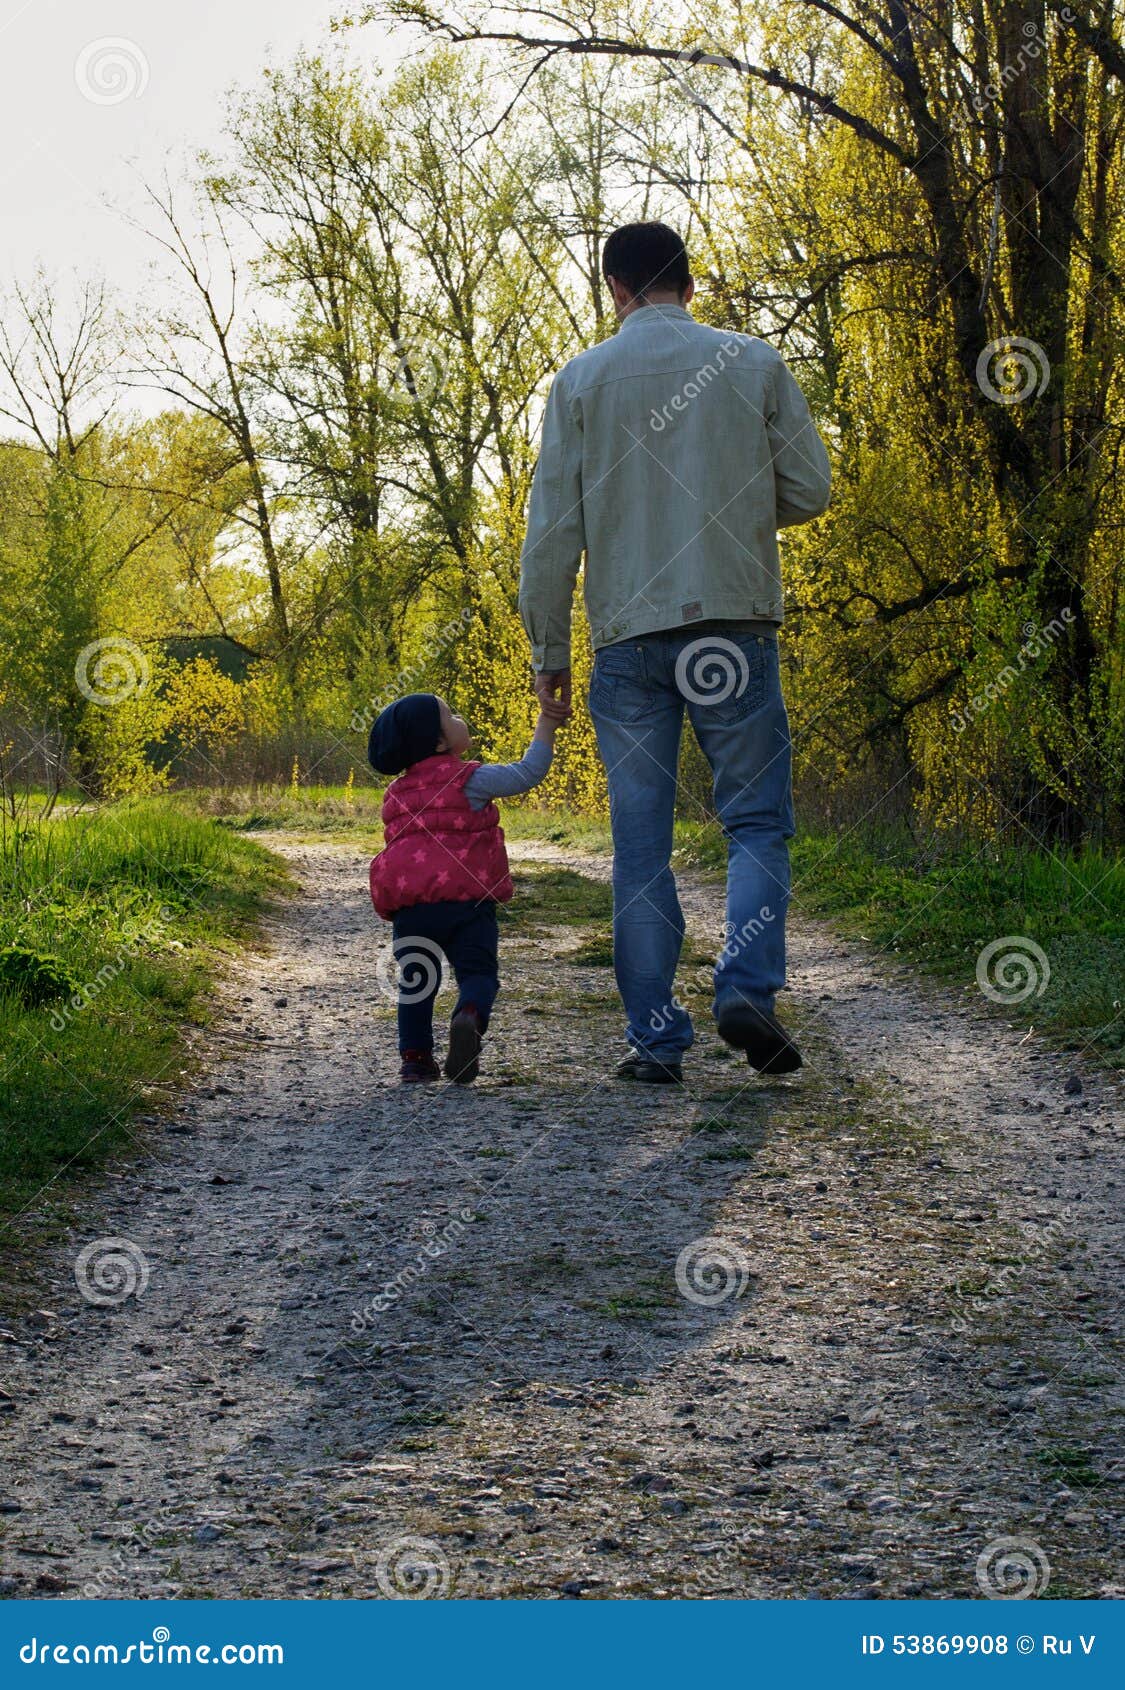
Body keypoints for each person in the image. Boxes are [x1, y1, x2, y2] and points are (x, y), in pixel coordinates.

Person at [518, 221, 832, 1084]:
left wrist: (549, 648)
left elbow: (550, 535)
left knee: (641, 846)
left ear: (613, 289)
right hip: (730, 630)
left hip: (626, 641)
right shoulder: (753, 362)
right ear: (689, 285)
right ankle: (747, 990)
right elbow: (810, 487)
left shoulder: (578, 381)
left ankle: (656, 1042)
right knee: (756, 823)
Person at [367, 691, 568, 1083]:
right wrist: (546, 723)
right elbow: (528, 772)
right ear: (440, 742)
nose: (460, 717)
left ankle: (415, 1059)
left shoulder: (395, 794)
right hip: (469, 902)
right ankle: (469, 1015)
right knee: (478, 973)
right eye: (451, 714)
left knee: (416, 980)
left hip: (413, 907)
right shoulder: (471, 779)